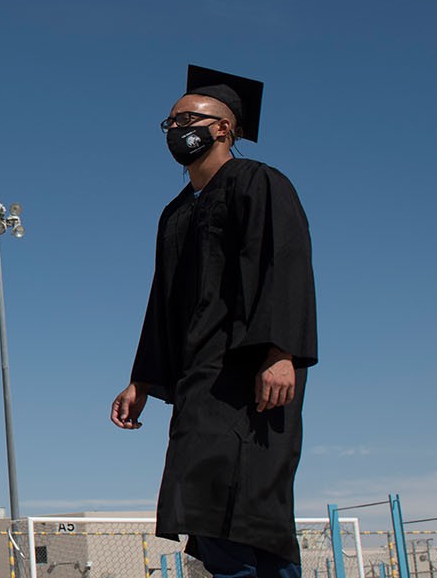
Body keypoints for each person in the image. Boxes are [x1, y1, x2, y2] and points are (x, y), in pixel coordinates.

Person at [112, 65, 317, 578]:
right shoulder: (176, 212)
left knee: (249, 510)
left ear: (224, 128)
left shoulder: (260, 183)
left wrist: (280, 352)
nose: (179, 129)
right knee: (206, 502)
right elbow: (163, 299)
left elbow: (283, 265)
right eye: (172, 121)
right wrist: (143, 378)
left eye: (190, 118)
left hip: (252, 373)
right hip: (198, 380)